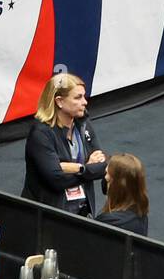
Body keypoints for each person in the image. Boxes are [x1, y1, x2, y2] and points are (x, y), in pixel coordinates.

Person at [22, 73, 108, 215]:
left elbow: (102, 165)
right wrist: (87, 167)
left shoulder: (83, 123)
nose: (85, 102)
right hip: (48, 215)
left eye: (84, 96)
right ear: (59, 101)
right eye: (78, 97)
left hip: (82, 209)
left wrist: (76, 168)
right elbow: (56, 180)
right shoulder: (41, 134)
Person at [96, 153, 150, 236]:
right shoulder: (141, 213)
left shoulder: (107, 221)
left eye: (107, 175)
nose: (105, 178)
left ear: (116, 185)